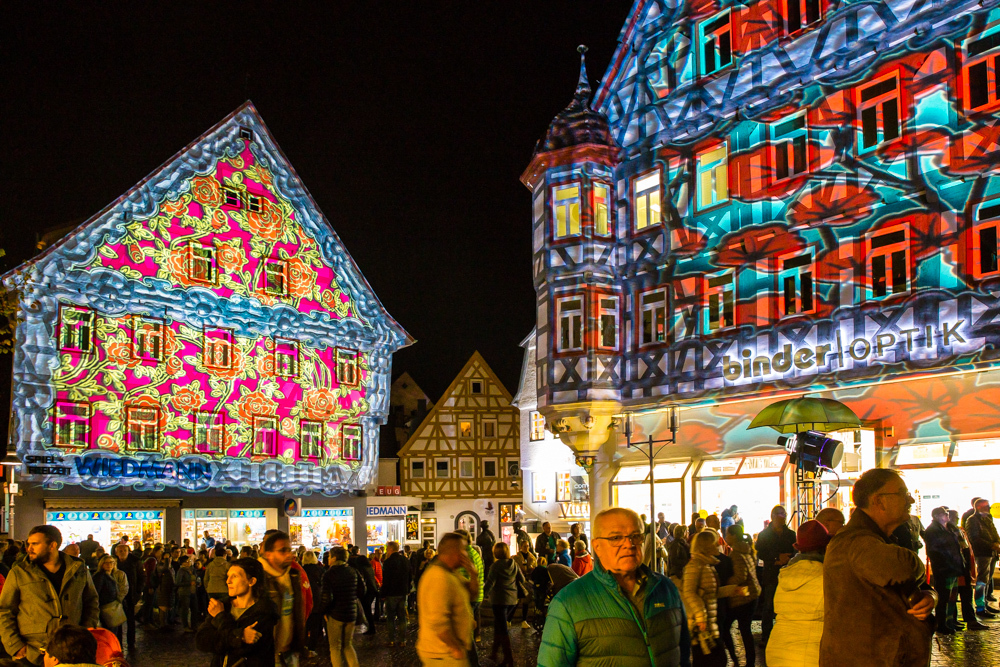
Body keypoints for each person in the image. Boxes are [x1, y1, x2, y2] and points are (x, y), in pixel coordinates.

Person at [539, 507, 689, 667]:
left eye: (636, 536)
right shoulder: (568, 603)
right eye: (616, 537)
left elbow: (683, 656)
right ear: (597, 546)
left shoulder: (666, 589)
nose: (629, 544)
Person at [820, 468, 936, 666]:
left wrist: (930, 597)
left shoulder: (879, 539)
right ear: (878, 501)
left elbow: (906, 588)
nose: (910, 501)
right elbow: (904, 567)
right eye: (902, 494)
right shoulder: (856, 541)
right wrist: (916, 562)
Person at [0, 525, 99, 665]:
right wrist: (15, 646)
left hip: (70, 652)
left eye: (35, 544)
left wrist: (86, 630)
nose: (29, 548)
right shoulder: (19, 573)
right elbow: (5, 610)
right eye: (28, 544)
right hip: (31, 654)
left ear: (52, 545)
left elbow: (91, 601)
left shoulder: (78, 569)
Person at [765, 520, 830, 667]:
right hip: (809, 654)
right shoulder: (826, 577)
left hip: (777, 651)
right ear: (825, 548)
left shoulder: (785, 576)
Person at [196, 557, 276, 667]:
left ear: (251, 581)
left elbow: (243, 650)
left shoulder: (264, 611)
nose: (228, 581)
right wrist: (239, 636)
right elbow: (202, 640)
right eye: (228, 576)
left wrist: (220, 616)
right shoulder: (223, 605)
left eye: (235, 576)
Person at [682, 529, 743, 667]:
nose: (718, 545)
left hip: (709, 622)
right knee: (714, 660)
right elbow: (689, 592)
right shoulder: (695, 565)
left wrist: (732, 590)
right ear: (706, 546)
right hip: (701, 626)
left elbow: (712, 592)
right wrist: (700, 616)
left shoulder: (706, 565)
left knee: (715, 659)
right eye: (714, 543)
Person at [416, 534, 475, 667]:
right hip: (442, 655)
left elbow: (472, 595)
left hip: (446, 653)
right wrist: (455, 648)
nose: (467, 553)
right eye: (464, 549)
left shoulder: (452, 573)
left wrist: (473, 574)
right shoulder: (439, 577)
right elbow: (438, 621)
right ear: (455, 552)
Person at [258, 531, 306, 666]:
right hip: (268, 654)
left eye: (289, 550)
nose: (288, 555)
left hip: (289, 652)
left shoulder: (292, 575)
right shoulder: (259, 579)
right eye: (282, 551)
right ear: (269, 554)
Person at [923, 506, 969, 635]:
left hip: (953, 568)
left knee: (952, 597)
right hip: (944, 569)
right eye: (945, 514)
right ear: (937, 516)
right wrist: (945, 564)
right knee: (944, 597)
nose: (947, 516)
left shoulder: (947, 528)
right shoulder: (933, 530)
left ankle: (950, 621)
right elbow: (935, 551)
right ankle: (942, 623)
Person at [754, 505, 796, 646]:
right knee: (769, 605)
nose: (783, 517)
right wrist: (776, 558)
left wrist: (788, 558)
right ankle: (767, 636)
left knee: (787, 606)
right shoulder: (764, 535)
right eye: (780, 514)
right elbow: (761, 553)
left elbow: (796, 550)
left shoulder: (790, 534)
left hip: (788, 573)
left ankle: (785, 634)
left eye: (784, 514)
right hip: (771, 574)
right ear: (773, 516)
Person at [482, 542, 526, 667]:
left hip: (499, 600)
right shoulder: (514, 564)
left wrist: (482, 595)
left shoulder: (495, 566)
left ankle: (509, 658)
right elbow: (522, 580)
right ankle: (494, 653)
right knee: (499, 626)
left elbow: (490, 583)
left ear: (496, 552)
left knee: (503, 629)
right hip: (512, 600)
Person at [724, 525, 760, 667]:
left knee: (727, 626)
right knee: (745, 630)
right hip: (752, 595)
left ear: (733, 536)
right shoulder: (747, 549)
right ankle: (748, 662)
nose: (726, 537)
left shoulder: (736, 553)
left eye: (727, 534)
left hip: (743, 597)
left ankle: (738, 660)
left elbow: (740, 576)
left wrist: (726, 583)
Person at [322, 547, 363, 667]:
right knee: (348, 645)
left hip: (335, 614)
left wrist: (324, 611)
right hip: (351, 613)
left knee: (335, 647)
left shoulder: (329, 574)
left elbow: (326, 597)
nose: (328, 559)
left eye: (329, 557)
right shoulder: (353, 571)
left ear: (334, 558)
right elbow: (362, 590)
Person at [947, 508, 987, 631]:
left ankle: (966, 619)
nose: (957, 519)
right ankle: (957, 620)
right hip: (957, 569)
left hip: (963, 568)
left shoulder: (958, 530)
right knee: (956, 595)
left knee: (964, 594)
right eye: (955, 517)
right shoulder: (949, 532)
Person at [965, 497, 1000, 618]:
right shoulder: (973, 520)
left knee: (986, 580)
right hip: (982, 553)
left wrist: (997, 543)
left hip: (990, 552)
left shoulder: (986, 519)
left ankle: (984, 605)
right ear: (979, 507)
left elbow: (994, 533)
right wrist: (992, 545)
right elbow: (975, 538)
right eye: (986, 506)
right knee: (982, 580)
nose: (989, 508)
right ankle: (980, 607)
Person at [452, 529, 483, 645]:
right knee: (475, 618)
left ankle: (471, 653)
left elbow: (464, 576)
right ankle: (476, 637)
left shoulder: (465, 555)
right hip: (477, 594)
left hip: (469, 594)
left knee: (466, 631)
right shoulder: (475, 553)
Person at [380, 541, 411, 647]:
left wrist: (383, 593)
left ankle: (392, 640)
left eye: (387, 549)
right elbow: (409, 576)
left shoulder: (388, 562)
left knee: (391, 618)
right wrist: (408, 589)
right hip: (402, 592)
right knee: (402, 617)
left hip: (391, 593)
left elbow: (386, 580)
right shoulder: (405, 560)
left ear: (391, 549)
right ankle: (402, 639)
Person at [112, 543, 142, 653]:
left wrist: (138, 591)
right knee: (117, 619)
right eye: (120, 551)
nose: (122, 553)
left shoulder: (135, 561)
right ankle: (118, 641)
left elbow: (141, 577)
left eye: (124, 550)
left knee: (130, 619)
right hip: (117, 595)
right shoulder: (113, 562)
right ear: (116, 552)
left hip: (131, 593)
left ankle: (131, 641)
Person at [92, 555, 126, 642]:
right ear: (101, 564)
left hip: (112, 607)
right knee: (110, 632)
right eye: (106, 563)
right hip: (106, 608)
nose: (109, 565)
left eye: (111, 562)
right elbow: (96, 593)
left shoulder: (112, 575)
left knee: (115, 630)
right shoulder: (100, 576)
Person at [300, 551, 325, 655]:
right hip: (317, 601)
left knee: (304, 625)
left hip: (304, 601)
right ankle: (312, 648)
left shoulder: (301, 570)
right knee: (315, 625)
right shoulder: (320, 570)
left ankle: (304, 646)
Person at [511, 541, 536, 628]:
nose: (526, 548)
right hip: (519, 581)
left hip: (527, 581)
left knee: (525, 601)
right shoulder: (516, 558)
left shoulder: (532, 557)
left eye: (527, 546)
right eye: (524, 546)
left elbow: (534, 567)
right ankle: (509, 619)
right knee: (517, 601)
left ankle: (524, 620)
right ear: (521, 547)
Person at [174, 555, 196, 631]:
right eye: (187, 562)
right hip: (184, 592)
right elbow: (177, 583)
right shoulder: (181, 571)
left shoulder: (192, 569)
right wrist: (189, 583)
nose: (189, 563)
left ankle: (194, 625)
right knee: (185, 609)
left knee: (194, 609)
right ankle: (185, 626)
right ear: (183, 563)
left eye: (189, 561)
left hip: (193, 591)